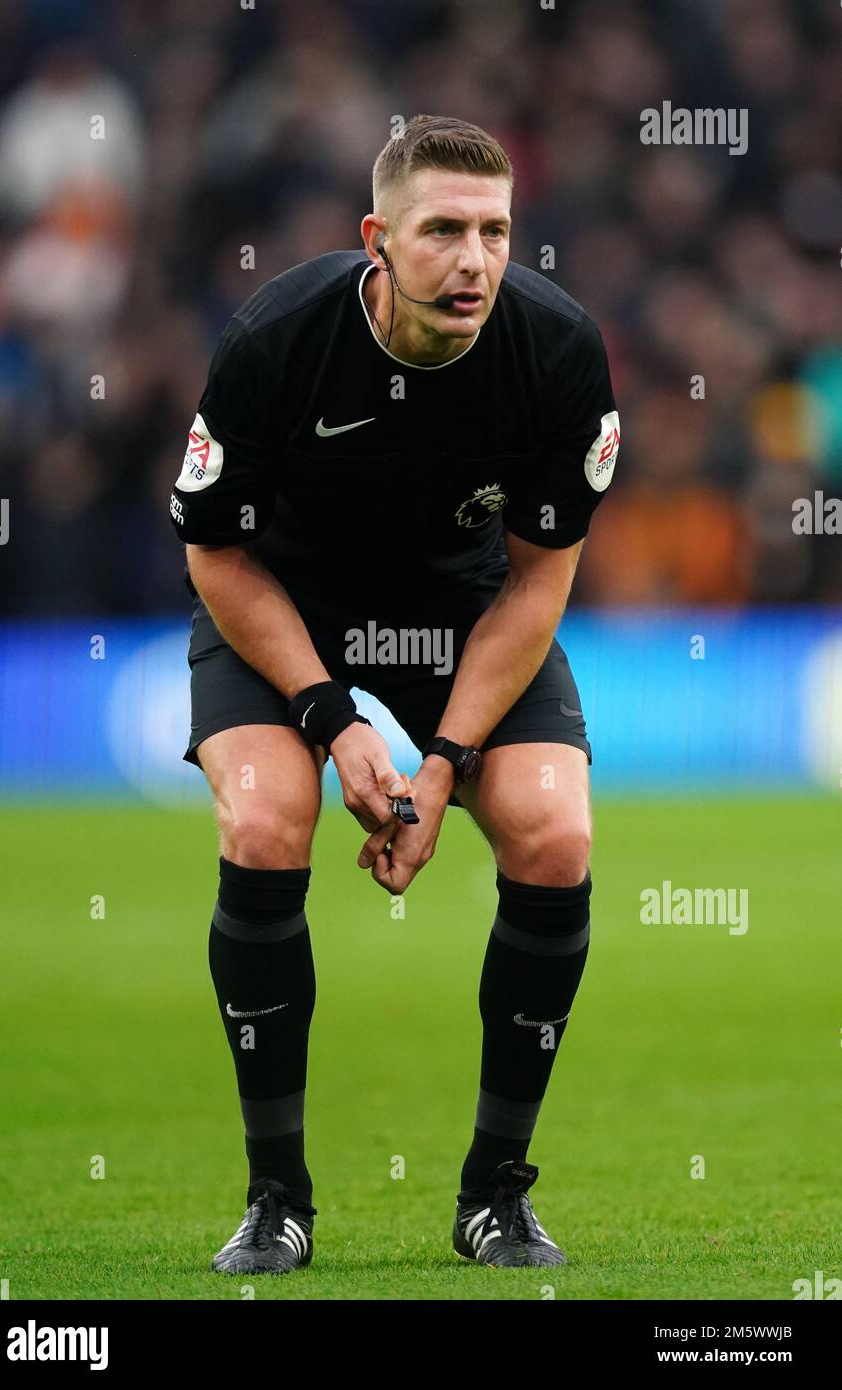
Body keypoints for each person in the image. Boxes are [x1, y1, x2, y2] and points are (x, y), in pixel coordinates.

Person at [169, 114, 619, 1274]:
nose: (475, 260)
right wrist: (328, 717)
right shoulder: (275, 338)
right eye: (444, 232)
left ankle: (493, 1197)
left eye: (496, 232)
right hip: (282, 604)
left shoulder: (560, 354)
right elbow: (216, 553)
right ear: (378, 238)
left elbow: (536, 586)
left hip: (466, 611)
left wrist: (442, 759)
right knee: (267, 821)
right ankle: (278, 1199)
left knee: (555, 832)